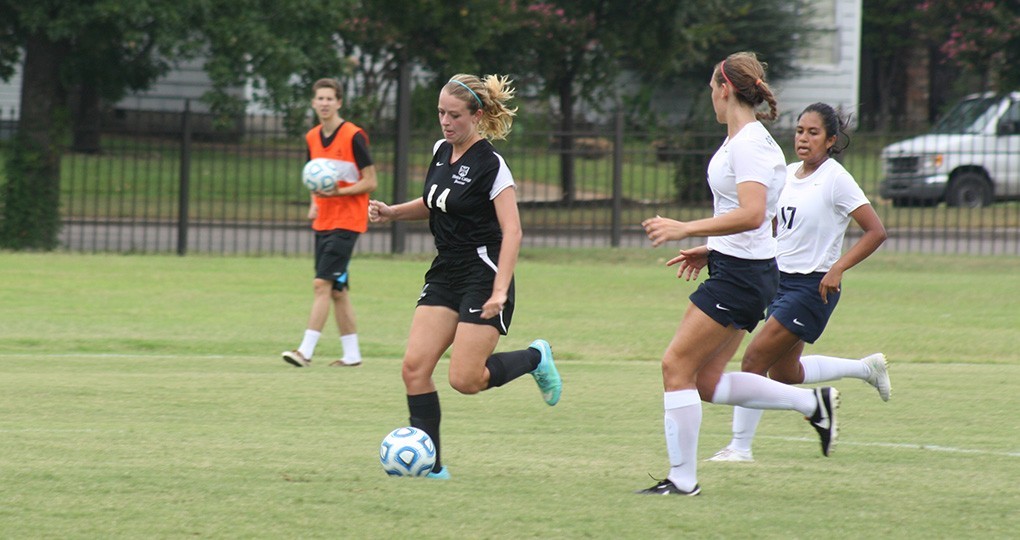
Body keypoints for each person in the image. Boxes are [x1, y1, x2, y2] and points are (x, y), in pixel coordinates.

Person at [637, 52, 840, 497]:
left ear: (725, 88)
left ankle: (682, 480)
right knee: (706, 382)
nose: (711, 96)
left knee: (675, 366)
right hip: (739, 268)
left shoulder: (749, 143)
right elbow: (757, 219)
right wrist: (712, 248)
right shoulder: (743, 140)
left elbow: (752, 213)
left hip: (742, 277)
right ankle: (810, 402)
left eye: (712, 88)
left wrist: (685, 227)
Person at [367, 74, 562, 480]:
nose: (446, 121)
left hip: (483, 273)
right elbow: (437, 201)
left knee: (465, 379)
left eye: (454, 115)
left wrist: (500, 289)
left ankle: (535, 358)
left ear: (477, 115)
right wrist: (392, 212)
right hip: (445, 271)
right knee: (414, 369)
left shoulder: (492, 165)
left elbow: (513, 231)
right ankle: (432, 467)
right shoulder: (441, 151)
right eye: (441, 113)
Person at [704, 102, 890, 463]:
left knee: (754, 360)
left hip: (813, 287)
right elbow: (764, 226)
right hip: (779, 282)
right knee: (786, 373)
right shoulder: (788, 174)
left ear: (831, 140)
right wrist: (709, 249)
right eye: (800, 131)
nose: (803, 138)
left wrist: (837, 268)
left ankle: (740, 448)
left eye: (813, 133)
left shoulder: (836, 179)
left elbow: (876, 231)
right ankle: (866, 369)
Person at [282, 78, 378, 368]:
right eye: (320, 98)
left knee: (320, 285)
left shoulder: (353, 136)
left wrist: (338, 193)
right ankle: (352, 355)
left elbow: (370, 181)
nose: (324, 103)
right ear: (313, 103)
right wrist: (315, 203)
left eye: (329, 98)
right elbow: (315, 177)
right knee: (337, 291)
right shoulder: (312, 137)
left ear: (339, 102)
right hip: (324, 221)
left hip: (347, 222)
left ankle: (305, 352)